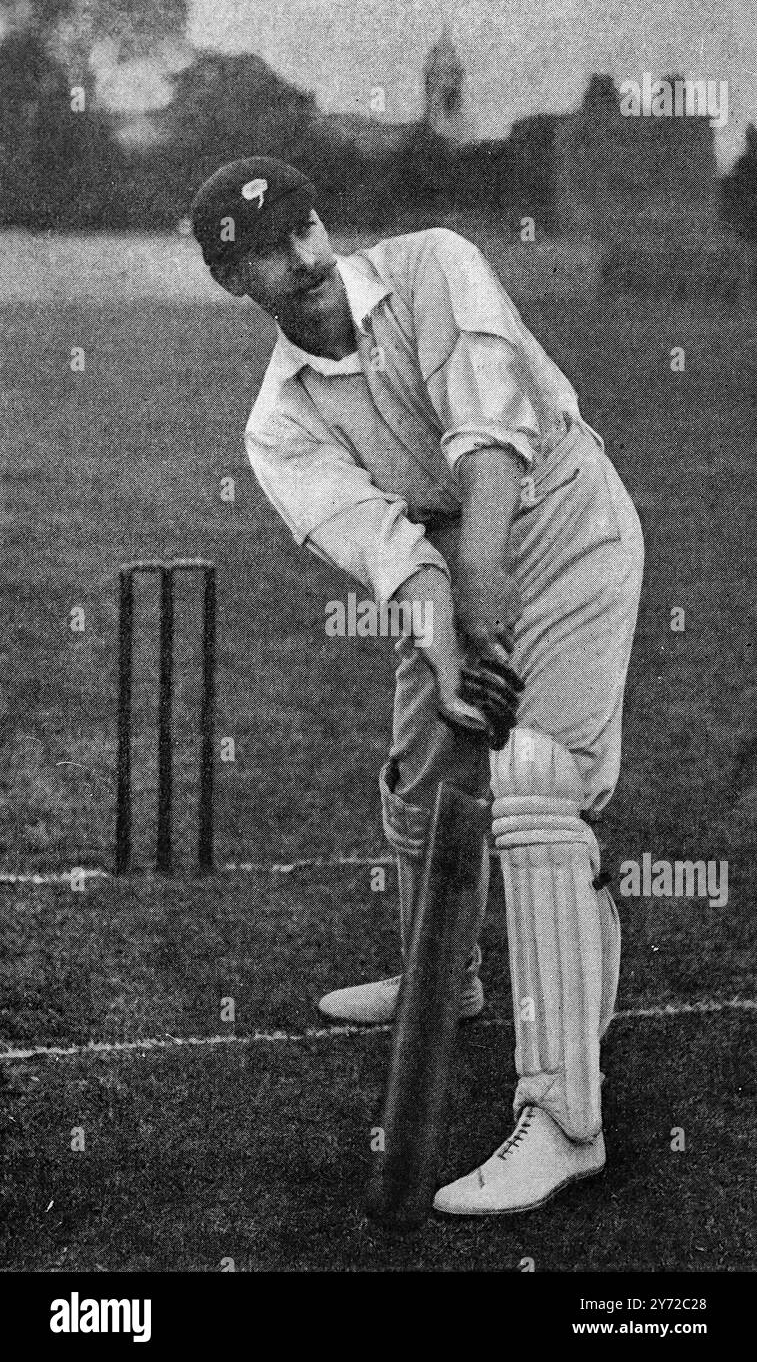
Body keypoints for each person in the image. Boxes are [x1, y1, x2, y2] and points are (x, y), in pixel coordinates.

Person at [191, 157, 644, 1215]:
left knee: (536, 780)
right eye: (269, 249)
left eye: (307, 226)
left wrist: (484, 576)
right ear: (232, 281)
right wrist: (447, 647)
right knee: (418, 780)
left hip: (564, 522)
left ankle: (565, 1119)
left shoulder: (436, 265)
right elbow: (394, 553)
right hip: (448, 557)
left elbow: (489, 433)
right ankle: (445, 976)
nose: (304, 257)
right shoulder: (276, 425)